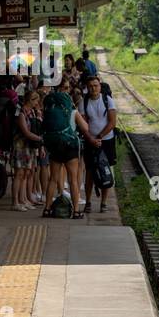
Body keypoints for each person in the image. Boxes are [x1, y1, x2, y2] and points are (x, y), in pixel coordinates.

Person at [41, 80, 90, 219]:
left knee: (53, 179)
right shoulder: (73, 111)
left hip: (55, 146)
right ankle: (76, 211)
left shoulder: (50, 110)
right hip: (70, 147)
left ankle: (47, 208)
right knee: (73, 180)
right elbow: (86, 128)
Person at [80, 74, 117, 213]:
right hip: (90, 141)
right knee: (89, 171)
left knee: (105, 170)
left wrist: (100, 137)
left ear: (100, 86)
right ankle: (88, 201)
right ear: (87, 88)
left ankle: (103, 203)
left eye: (95, 85)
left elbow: (112, 122)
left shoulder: (108, 100)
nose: (93, 88)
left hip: (106, 140)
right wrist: (91, 139)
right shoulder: (83, 102)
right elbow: (83, 125)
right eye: (90, 86)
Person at [11, 89, 45, 211]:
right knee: (19, 173)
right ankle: (15, 201)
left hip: (29, 147)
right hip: (20, 146)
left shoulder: (32, 113)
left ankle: (23, 199)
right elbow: (26, 132)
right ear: (30, 100)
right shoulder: (21, 113)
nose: (37, 103)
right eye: (36, 100)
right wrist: (40, 139)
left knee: (26, 173)